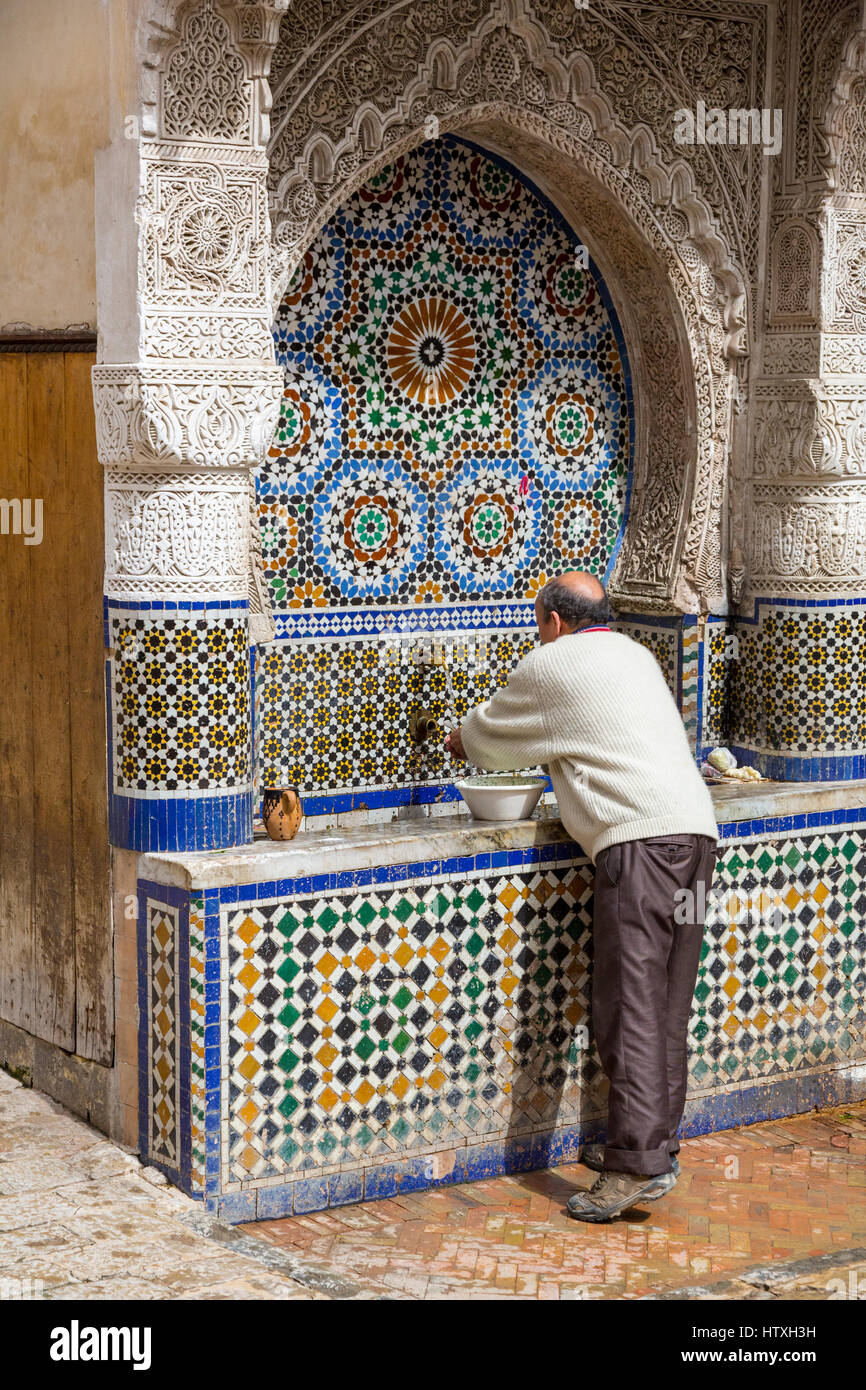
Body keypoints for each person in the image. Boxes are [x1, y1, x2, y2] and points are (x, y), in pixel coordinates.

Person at [446, 571, 718, 1222]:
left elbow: (487, 737)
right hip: (698, 843)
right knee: (665, 1005)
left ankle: (630, 1170)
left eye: (537, 622)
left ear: (553, 622)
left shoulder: (554, 661)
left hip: (640, 850)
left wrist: (457, 738)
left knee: (628, 1009)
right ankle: (652, 1150)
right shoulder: (636, 656)